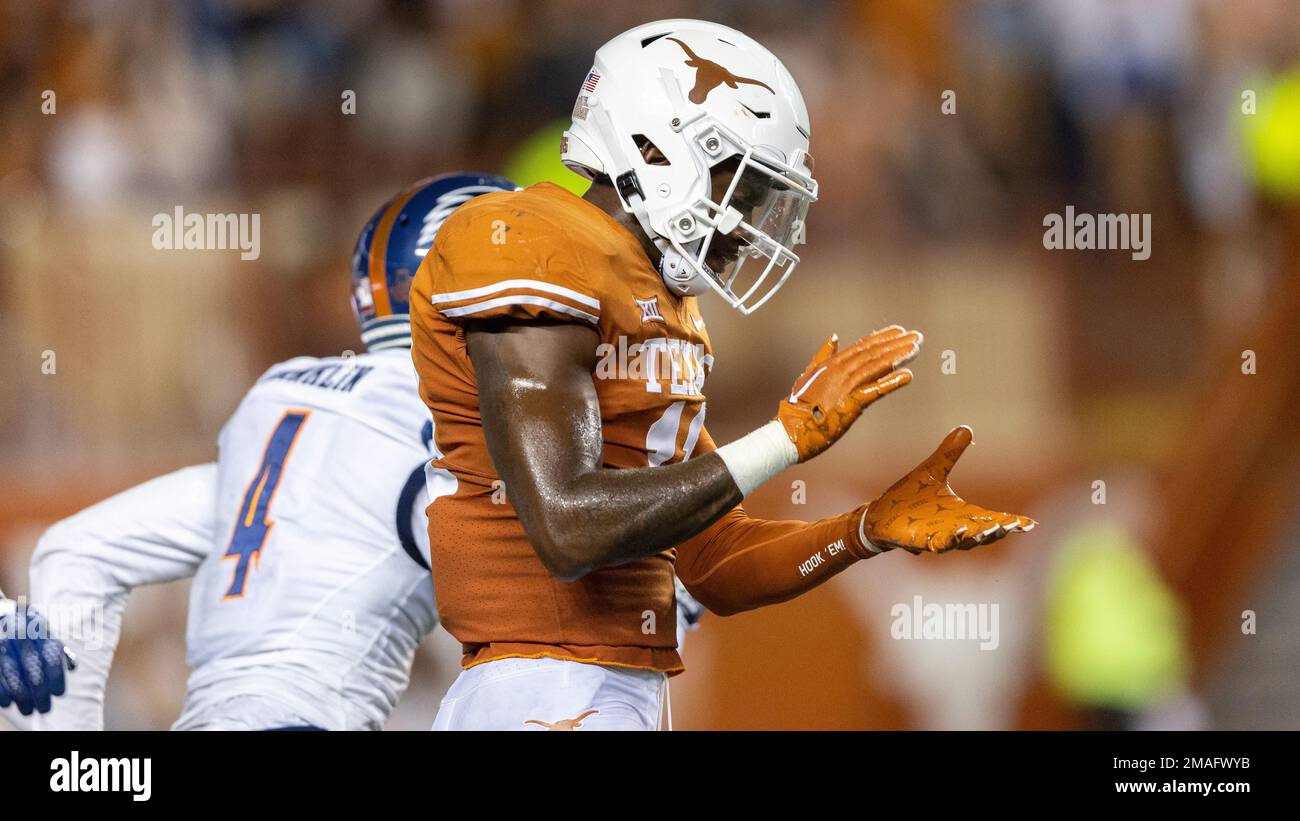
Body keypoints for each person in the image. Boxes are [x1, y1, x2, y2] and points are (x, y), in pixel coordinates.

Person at [411, 19, 1035, 731]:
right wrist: (785, 440)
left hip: (599, 686)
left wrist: (864, 529)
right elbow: (569, 527)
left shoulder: (659, 302)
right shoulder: (535, 244)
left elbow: (714, 558)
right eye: (737, 184)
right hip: (540, 685)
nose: (744, 221)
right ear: (653, 146)